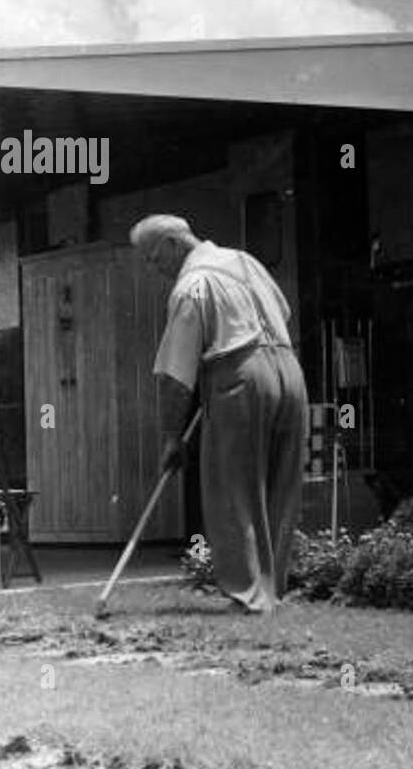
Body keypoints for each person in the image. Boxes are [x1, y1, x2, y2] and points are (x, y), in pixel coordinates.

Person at [130, 214, 308, 613]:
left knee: (233, 489)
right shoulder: (246, 263)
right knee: (278, 481)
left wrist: (173, 438)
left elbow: (177, 377)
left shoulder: (191, 286)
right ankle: (271, 591)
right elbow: (284, 312)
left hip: (239, 375)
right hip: (289, 370)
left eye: (153, 258)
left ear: (175, 244)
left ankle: (248, 597)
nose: (153, 269)